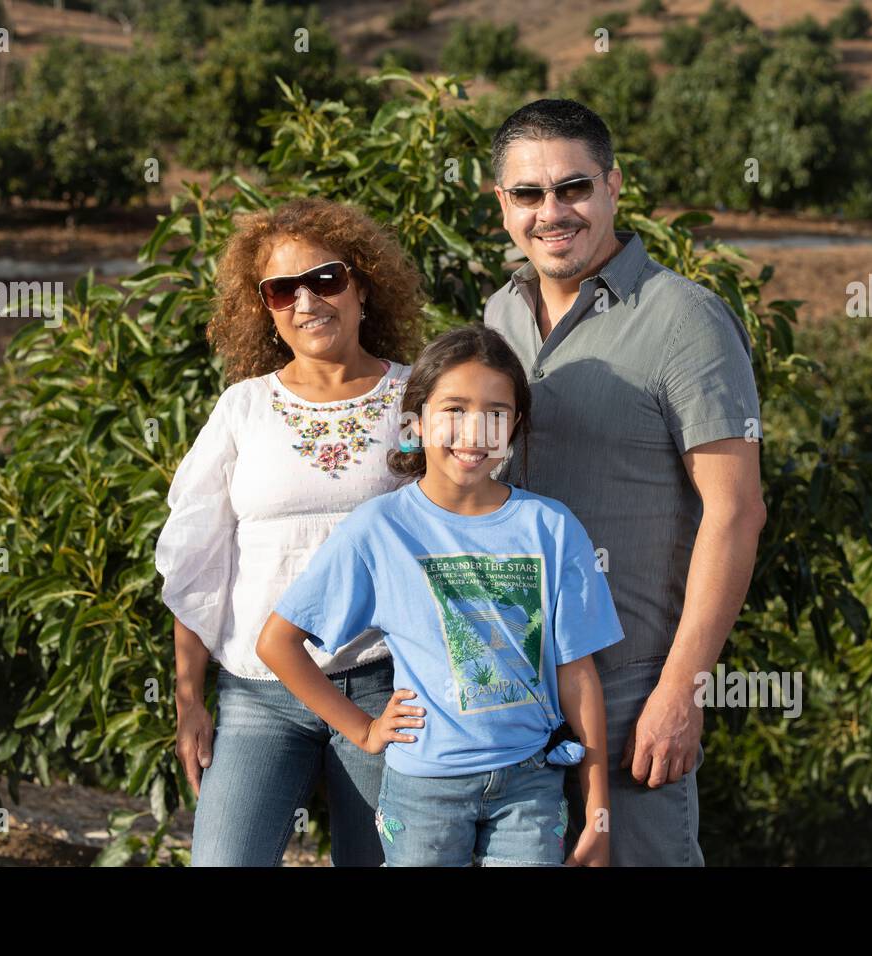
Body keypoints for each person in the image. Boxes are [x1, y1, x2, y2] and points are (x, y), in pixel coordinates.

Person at [484, 99, 767, 866]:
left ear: (613, 187)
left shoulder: (685, 319)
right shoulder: (499, 314)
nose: (553, 212)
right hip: (508, 686)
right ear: (501, 204)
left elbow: (736, 513)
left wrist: (682, 691)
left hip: (632, 687)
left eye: (573, 188)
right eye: (529, 195)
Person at [256, 324, 625, 866]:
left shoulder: (551, 527)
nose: (473, 432)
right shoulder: (380, 529)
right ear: (416, 420)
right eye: (453, 408)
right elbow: (277, 643)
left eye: (495, 413)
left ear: (515, 425)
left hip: (531, 787)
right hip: (423, 793)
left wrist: (598, 809)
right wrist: (362, 729)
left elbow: (578, 674)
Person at [155, 197, 424, 866]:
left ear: (363, 284)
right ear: (266, 310)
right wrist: (190, 700)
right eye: (282, 289)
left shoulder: (417, 399)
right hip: (258, 694)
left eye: (326, 279)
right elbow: (197, 563)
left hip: (383, 682)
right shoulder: (242, 409)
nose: (307, 300)